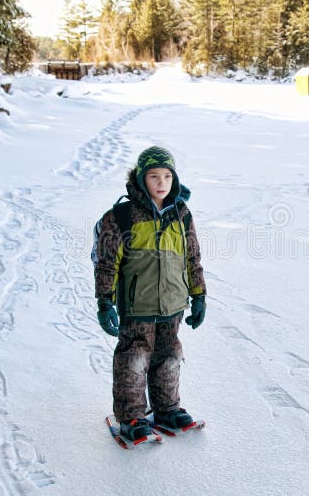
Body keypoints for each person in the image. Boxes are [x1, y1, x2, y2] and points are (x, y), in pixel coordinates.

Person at [93, 146, 206, 442]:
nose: (161, 183)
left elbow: (192, 258)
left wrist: (199, 296)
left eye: (167, 176)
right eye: (154, 176)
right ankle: (131, 416)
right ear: (141, 178)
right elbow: (107, 263)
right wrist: (105, 302)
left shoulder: (181, 214)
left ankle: (167, 408)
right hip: (136, 305)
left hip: (173, 303)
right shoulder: (122, 215)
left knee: (169, 357)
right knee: (134, 359)